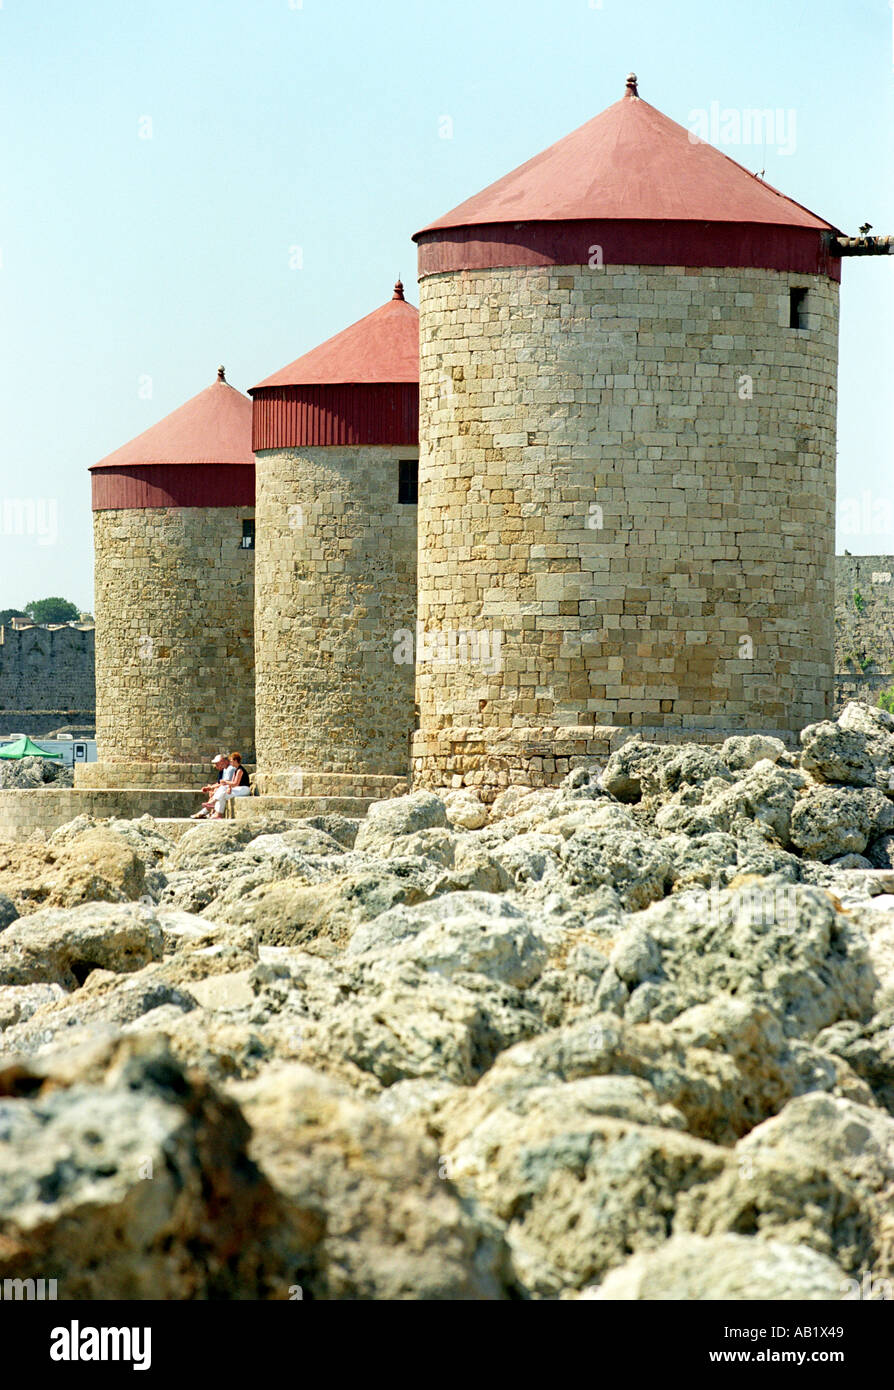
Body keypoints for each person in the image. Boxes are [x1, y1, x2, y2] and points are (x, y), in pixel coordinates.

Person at [209, 752, 250, 819]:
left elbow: (236, 783)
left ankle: (214, 801)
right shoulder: (235, 770)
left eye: (231, 761)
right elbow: (232, 782)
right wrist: (229, 787)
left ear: (236, 761)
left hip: (244, 789)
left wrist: (226, 782)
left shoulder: (240, 770)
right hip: (238, 789)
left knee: (222, 789)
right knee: (223, 794)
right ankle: (219, 814)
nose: (230, 763)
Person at [191, 754, 231, 819]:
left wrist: (211, 788)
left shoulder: (229, 769)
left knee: (216, 792)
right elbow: (220, 783)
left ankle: (205, 812)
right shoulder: (223, 771)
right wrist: (210, 788)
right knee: (214, 791)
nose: (216, 766)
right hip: (226, 788)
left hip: (231, 789)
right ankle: (209, 812)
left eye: (217, 764)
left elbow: (226, 783)